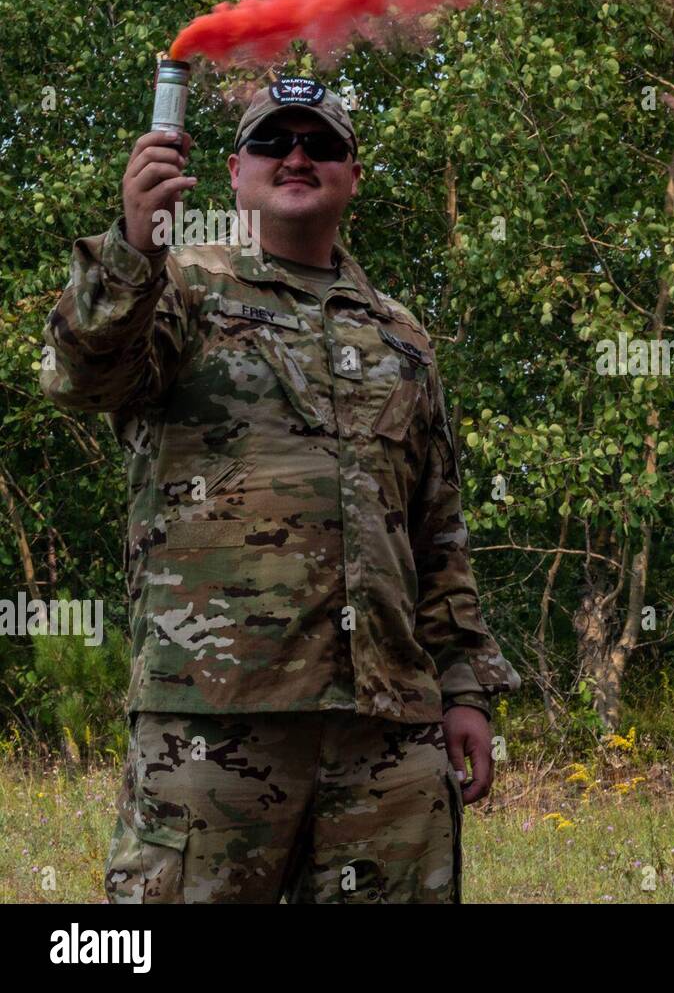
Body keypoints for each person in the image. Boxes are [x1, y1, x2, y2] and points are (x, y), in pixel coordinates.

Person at [40, 76, 520, 903]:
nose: (297, 156)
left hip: (388, 733)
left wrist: (463, 687)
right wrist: (132, 242)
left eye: (322, 144)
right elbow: (78, 374)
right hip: (214, 725)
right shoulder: (179, 289)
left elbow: (437, 529)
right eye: (274, 141)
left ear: (351, 175)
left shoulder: (401, 335)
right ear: (235, 169)